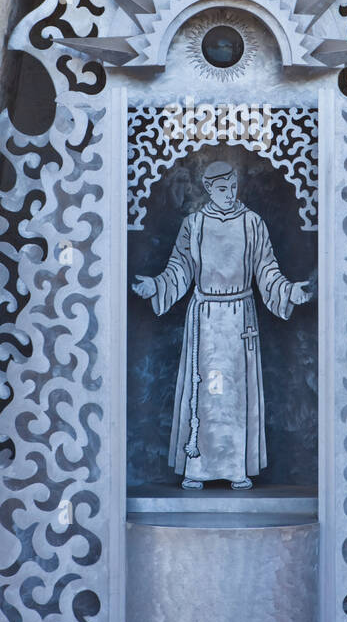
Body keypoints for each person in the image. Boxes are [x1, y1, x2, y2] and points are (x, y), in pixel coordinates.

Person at [132, 161, 312, 488]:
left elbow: (267, 269)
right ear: (208, 189)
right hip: (205, 320)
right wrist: (156, 286)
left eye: (232, 188)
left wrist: (290, 292)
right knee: (204, 394)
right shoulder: (195, 225)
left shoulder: (252, 224)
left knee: (235, 397)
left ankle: (234, 468)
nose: (228, 195)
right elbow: (179, 269)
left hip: (240, 318)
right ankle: (197, 469)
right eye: (221, 189)